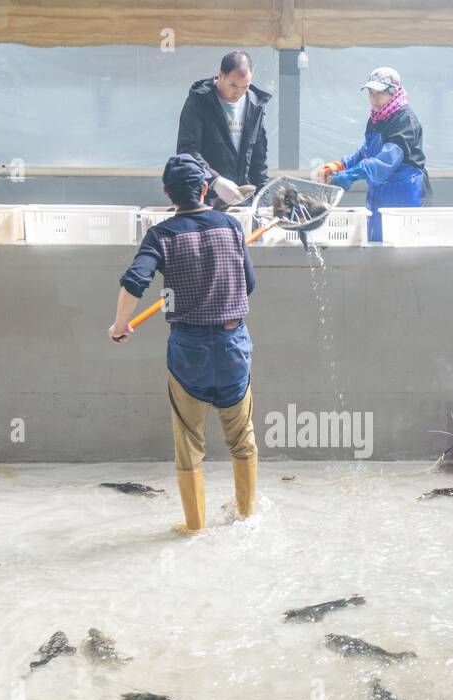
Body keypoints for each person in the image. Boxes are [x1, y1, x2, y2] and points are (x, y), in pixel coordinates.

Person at [109, 154, 258, 533]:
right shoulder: (230, 226)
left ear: (166, 193)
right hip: (232, 344)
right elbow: (249, 285)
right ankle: (246, 514)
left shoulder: (161, 235)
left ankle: (194, 525)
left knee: (189, 441)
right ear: (206, 189)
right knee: (241, 437)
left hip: (188, 350)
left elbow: (134, 281)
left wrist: (120, 324)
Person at [318, 67, 431, 243]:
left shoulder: (404, 119)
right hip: (379, 192)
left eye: (379, 93)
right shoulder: (377, 118)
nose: (373, 98)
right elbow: (367, 151)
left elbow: (386, 161)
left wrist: (350, 175)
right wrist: (340, 165)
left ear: (393, 92)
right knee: (376, 247)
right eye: (370, 92)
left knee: (401, 249)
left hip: (405, 193)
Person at [177, 50, 271, 208]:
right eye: (233, 85)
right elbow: (187, 150)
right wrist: (215, 180)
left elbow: (258, 159)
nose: (238, 92)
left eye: (245, 87)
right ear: (221, 75)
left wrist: (264, 200)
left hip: (243, 199)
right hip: (205, 197)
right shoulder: (199, 101)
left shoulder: (255, 105)